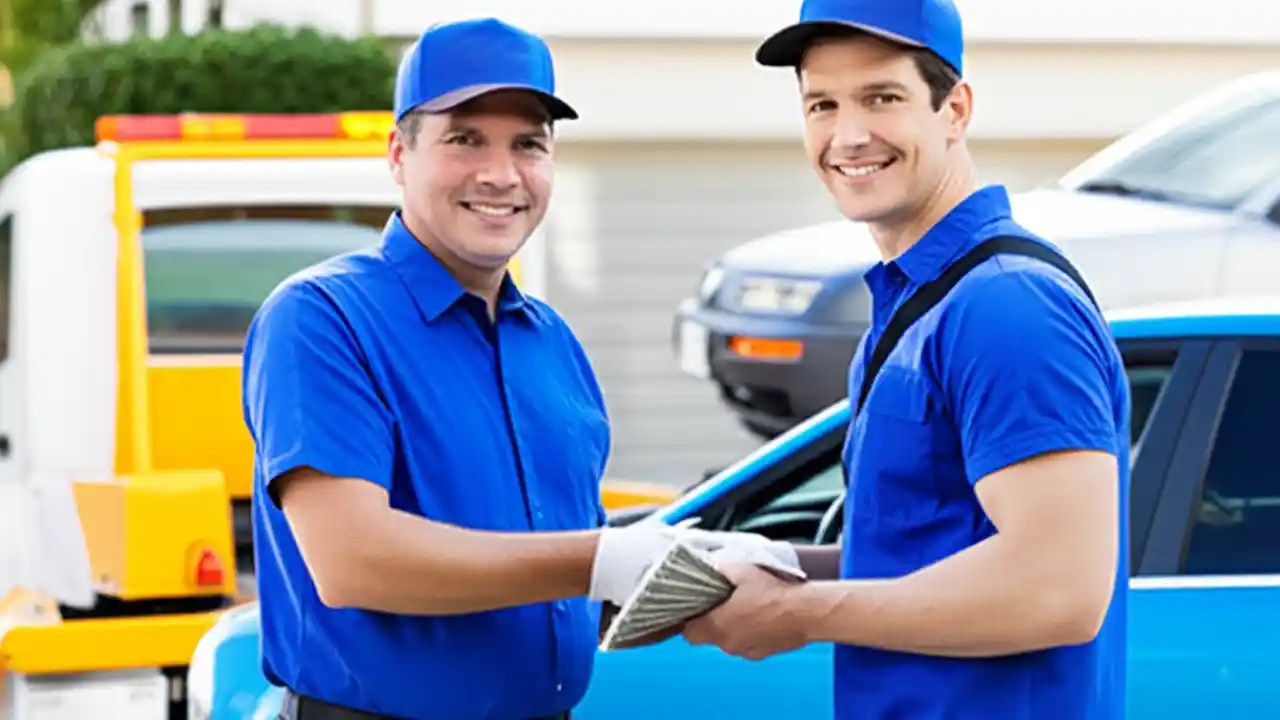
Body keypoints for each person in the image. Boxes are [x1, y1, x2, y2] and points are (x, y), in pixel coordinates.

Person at [242, 17, 800, 720]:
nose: (501, 174)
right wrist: (601, 557)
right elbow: (354, 561)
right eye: (465, 139)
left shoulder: (551, 344)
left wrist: (688, 560)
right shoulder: (323, 318)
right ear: (398, 154)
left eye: (528, 144)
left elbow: (552, 565)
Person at [681, 1, 1130, 718]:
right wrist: (769, 566)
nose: (847, 135)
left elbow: (1059, 591)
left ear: (955, 109)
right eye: (821, 104)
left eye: (881, 98)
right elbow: (920, 557)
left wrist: (803, 614)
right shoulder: (922, 304)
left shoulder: (1006, 308)